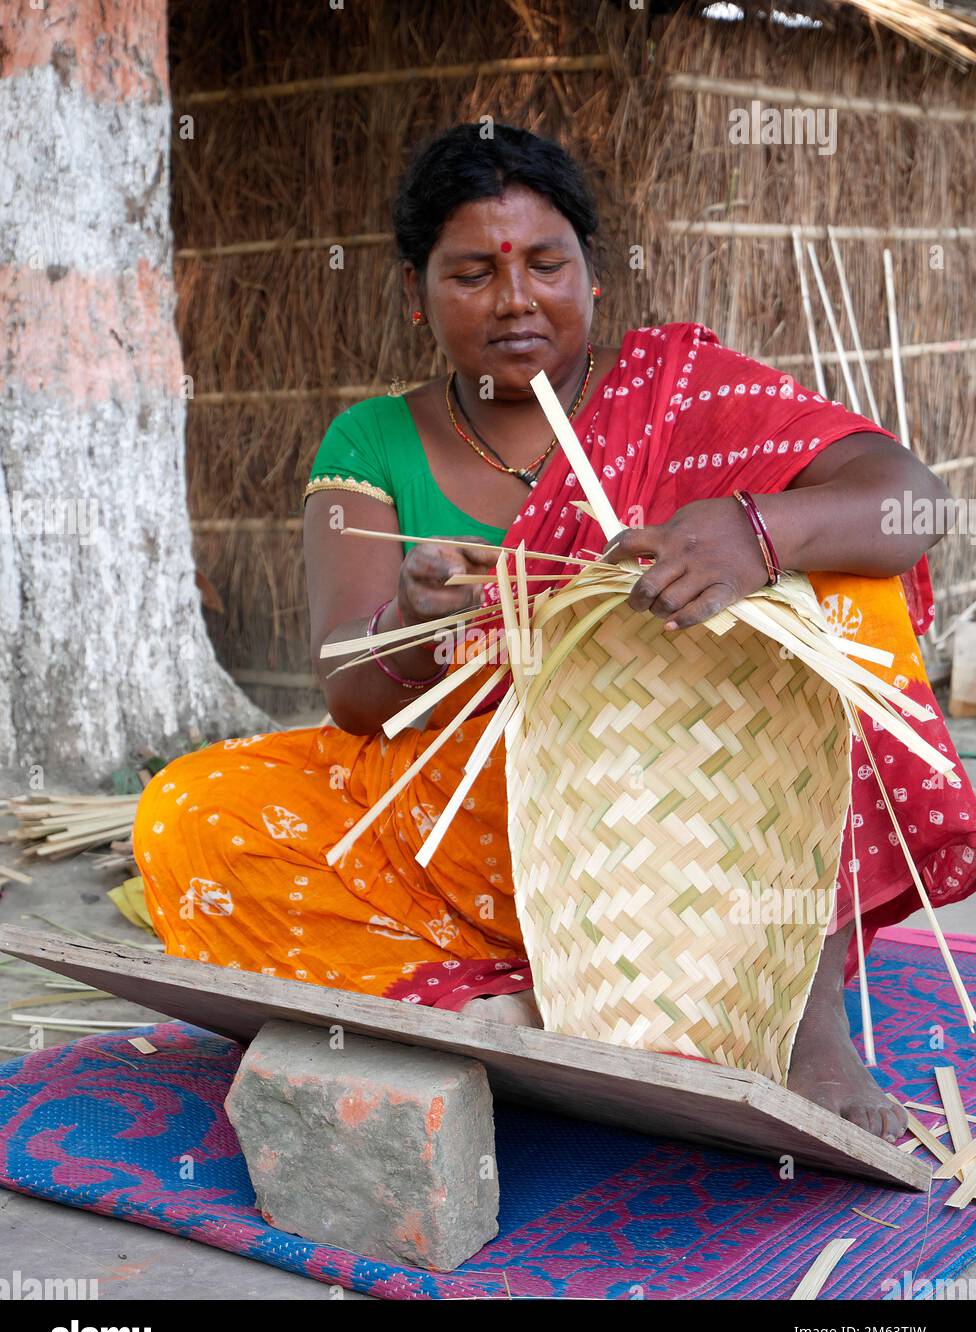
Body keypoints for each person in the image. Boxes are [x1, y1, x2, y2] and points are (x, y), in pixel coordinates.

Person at [133, 122, 975, 1144]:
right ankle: (504, 1005)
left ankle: (802, 1011)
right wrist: (405, 623)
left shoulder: (679, 396)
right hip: (476, 836)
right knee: (192, 812)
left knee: (850, 595)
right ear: (415, 293)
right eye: (472, 273)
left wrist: (759, 530)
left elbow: (909, 505)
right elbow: (349, 695)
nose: (515, 297)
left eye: (545, 263)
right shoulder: (372, 440)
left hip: (690, 828)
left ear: (594, 278)